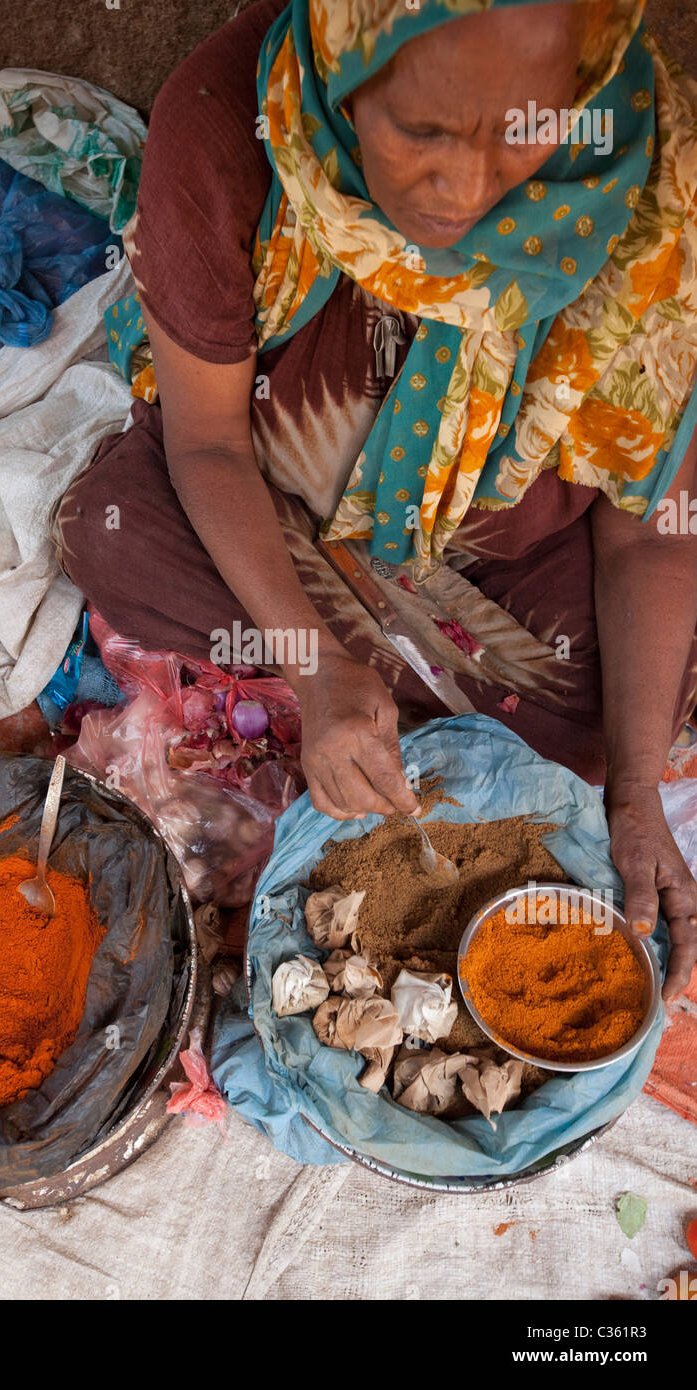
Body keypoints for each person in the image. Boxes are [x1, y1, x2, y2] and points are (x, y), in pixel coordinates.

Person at [57, 0, 697, 997]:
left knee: (614, 710)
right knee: (114, 529)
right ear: (344, 61)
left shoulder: (638, 167)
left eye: (521, 131)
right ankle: (368, 688)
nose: (468, 187)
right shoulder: (230, 124)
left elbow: (648, 536)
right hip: (278, 501)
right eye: (422, 131)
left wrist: (633, 790)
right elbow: (209, 443)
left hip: (506, 541)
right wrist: (314, 662)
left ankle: (378, 695)